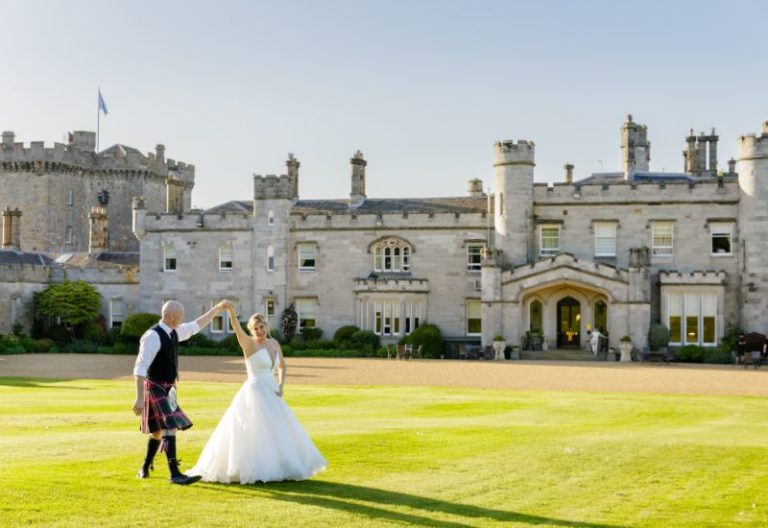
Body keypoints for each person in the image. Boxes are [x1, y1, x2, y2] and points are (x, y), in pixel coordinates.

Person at [189, 303, 327, 484]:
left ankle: (282, 466)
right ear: (251, 330)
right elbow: (236, 328)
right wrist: (230, 311)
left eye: (261, 327)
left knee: (279, 429)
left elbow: (282, 366)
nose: (259, 331)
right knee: (257, 431)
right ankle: (254, 468)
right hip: (254, 391)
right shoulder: (248, 343)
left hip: (272, 390)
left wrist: (281, 385)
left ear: (266, 327)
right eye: (255, 328)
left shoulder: (274, 343)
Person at [132, 300, 226, 485]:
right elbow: (140, 367)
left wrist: (217, 308)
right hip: (155, 386)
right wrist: (139, 398)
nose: (183, 319)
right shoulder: (152, 336)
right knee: (169, 427)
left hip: (170, 389)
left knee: (158, 432)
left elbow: (196, 325)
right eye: (181, 316)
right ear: (172, 316)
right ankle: (174, 473)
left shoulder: (174, 332)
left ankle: (145, 466)